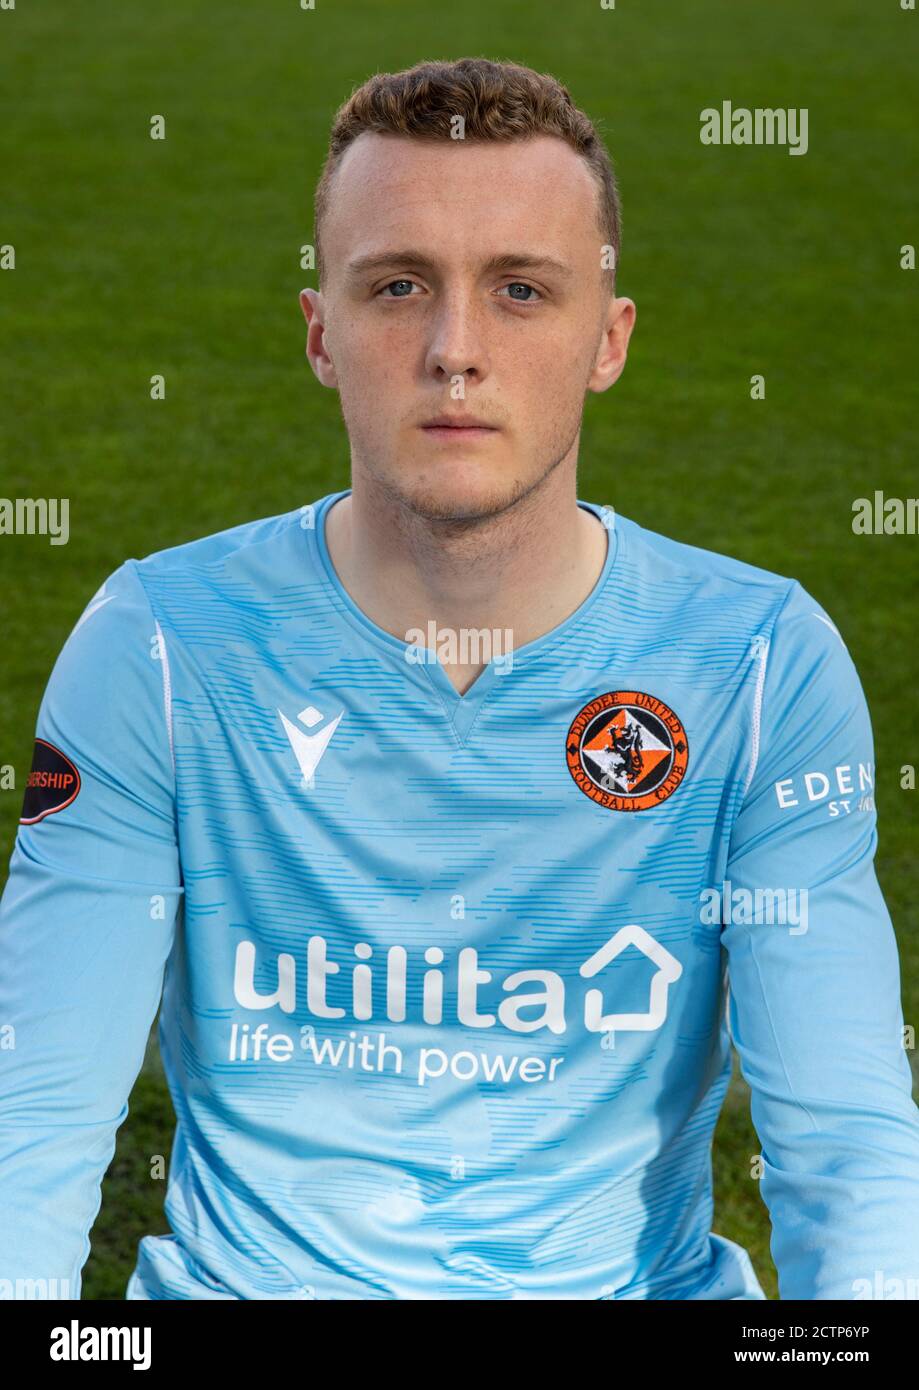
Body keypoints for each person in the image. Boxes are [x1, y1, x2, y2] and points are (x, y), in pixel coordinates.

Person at [1, 57, 917, 1302]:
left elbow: (845, 1138)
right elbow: (33, 1114)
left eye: (520, 290)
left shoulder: (759, 662)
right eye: (398, 286)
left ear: (609, 338)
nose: (453, 352)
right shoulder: (160, 645)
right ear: (322, 333)